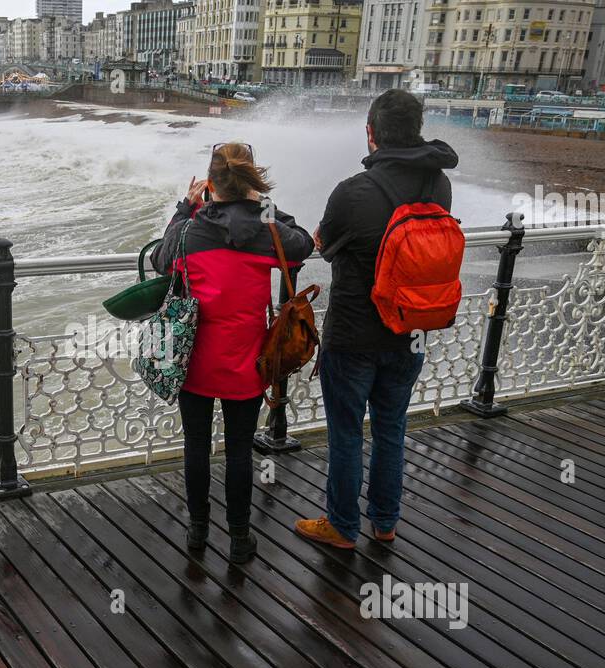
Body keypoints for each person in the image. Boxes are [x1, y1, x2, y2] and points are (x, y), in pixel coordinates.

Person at [295, 89, 459, 550]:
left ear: (371, 134)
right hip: (411, 329)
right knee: (392, 427)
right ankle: (385, 522)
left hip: (353, 333)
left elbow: (322, 246)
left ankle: (343, 527)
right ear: (417, 130)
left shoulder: (352, 191)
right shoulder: (439, 186)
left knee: (346, 432)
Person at [153, 142, 314, 564]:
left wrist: (183, 208)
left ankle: (197, 531)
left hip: (196, 362)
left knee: (196, 447)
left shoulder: (190, 230)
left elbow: (158, 259)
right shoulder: (267, 230)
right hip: (246, 365)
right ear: (250, 185)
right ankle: (240, 538)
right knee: (241, 450)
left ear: (209, 185)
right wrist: (267, 208)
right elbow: (302, 246)